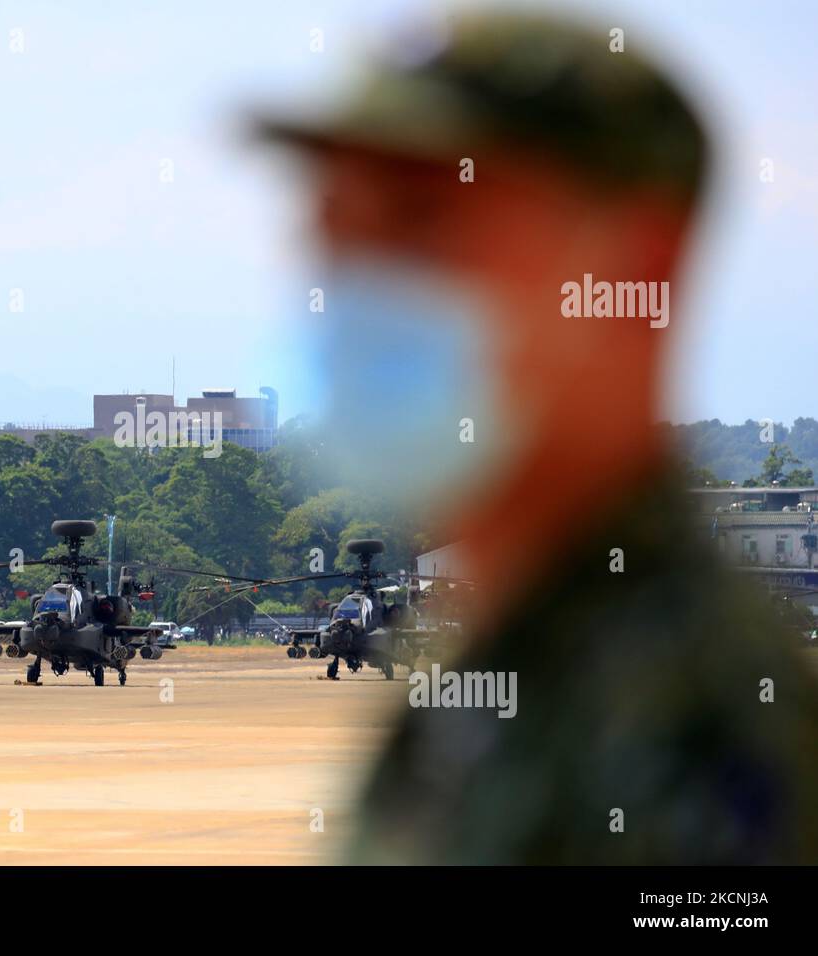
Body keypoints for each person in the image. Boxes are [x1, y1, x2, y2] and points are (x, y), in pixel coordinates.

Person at [255, 11, 818, 863]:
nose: (354, 286)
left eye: (418, 216)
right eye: (336, 222)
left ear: (635, 270)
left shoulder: (691, 733)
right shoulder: (509, 668)